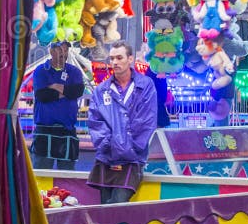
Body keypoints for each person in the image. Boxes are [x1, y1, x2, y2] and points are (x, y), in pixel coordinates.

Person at [86, 41, 157, 204]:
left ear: (130, 59)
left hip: (132, 158)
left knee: (117, 207)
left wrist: (128, 148)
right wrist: (107, 145)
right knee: (104, 211)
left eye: (119, 58)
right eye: (112, 58)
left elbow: (146, 121)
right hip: (106, 157)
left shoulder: (145, 86)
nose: (115, 62)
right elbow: (95, 121)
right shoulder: (101, 89)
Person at [30, 40, 85, 170]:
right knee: (41, 177)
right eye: (59, 49)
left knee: (67, 180)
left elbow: (77, 91)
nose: (63, 53)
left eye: (65, 50)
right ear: (51, 51)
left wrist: (55, 87)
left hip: (67, 131)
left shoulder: (75, 72)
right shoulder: (40, 71)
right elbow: (43, 96)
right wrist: (67, 91)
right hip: (44, 130)